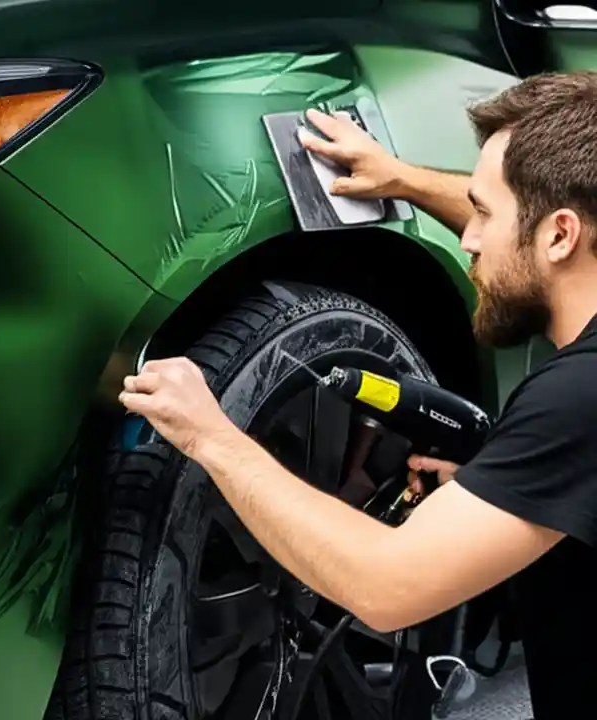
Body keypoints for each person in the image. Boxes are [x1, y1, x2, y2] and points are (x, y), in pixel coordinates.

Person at [118, 70, 597, 720]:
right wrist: (399, 177)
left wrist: (215, 438)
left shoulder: (576, 399)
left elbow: (386, 585)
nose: (468, 240)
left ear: (562, 235)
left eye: (483, 212)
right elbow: (531, 230)